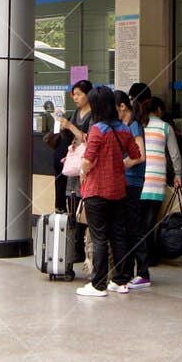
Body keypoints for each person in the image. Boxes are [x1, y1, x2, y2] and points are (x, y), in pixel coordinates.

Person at [75, 84, 142, 298]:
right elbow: (136, 153)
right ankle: (120, 281)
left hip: (96, 191)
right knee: (118, 235)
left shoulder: (97, 129)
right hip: (118, 190)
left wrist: (84, 170)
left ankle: (98, 284)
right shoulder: (123, 128)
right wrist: (118, 165)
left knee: (100, 237)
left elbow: (87, 161)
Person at [127, 94, 182, 289]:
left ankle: (138, 263)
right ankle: (148, 259)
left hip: (139, 179)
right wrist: (178, 174)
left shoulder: (138, 127)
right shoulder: (165, 127)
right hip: (157, 179)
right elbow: (174, 153)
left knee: (137, 223)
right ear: (159, 110)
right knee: (150, 222)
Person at [47, 80, 93, 277]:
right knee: (72, 203)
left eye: (79, 94)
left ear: (88, 95)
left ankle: (83, 248)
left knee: (84, 206)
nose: (75, 97)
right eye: (73, 94)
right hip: (73, 166)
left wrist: (70, 126)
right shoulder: (76, 113)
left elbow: (89, 138)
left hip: (86, 166)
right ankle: (73, 247)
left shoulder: (93, 116)